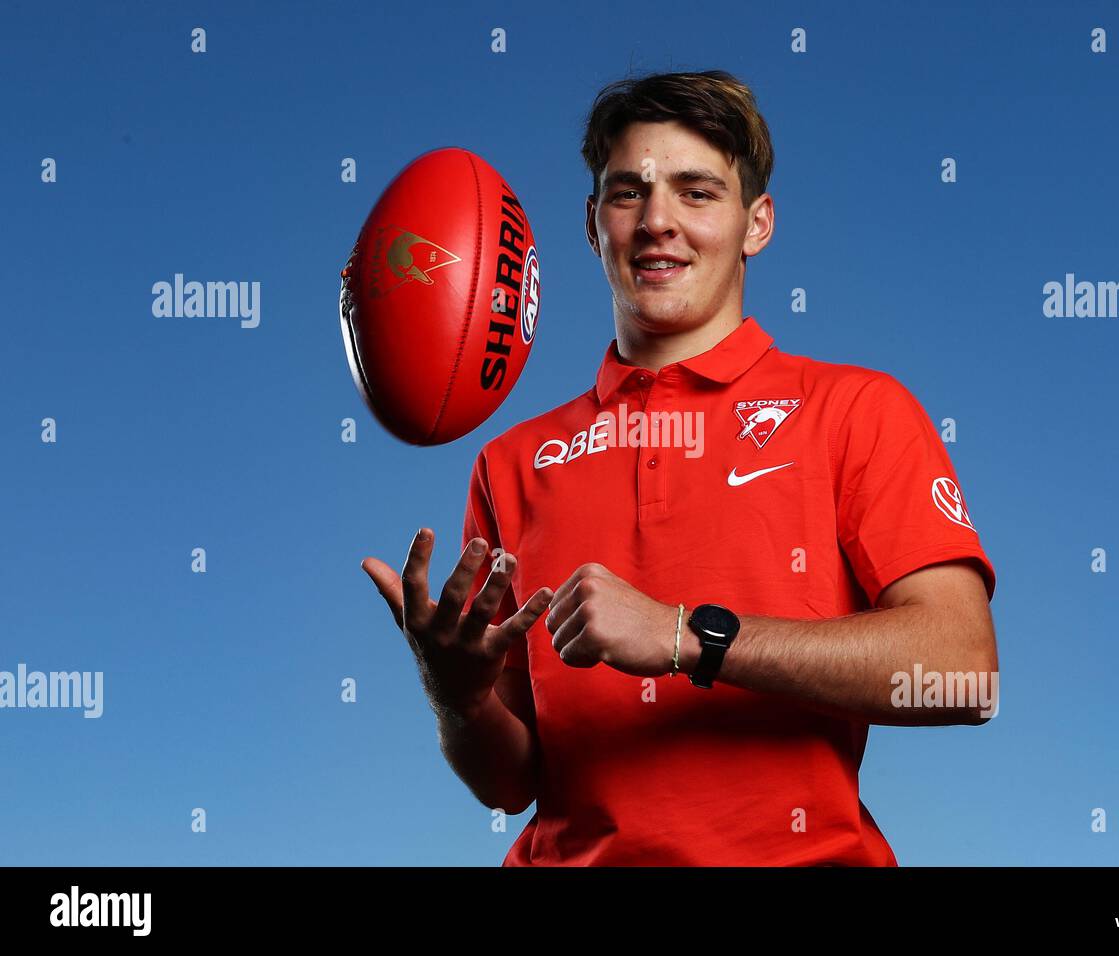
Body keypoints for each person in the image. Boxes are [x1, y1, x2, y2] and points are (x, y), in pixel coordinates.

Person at [361, 70, 998, 866]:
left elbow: (964, 671)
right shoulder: (512, 462)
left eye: (697, 193)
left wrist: (684, 635)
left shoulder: (856, 409)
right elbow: (510, 782)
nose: (657, 221)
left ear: (756, 223)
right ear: (593, 225)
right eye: (628, 194)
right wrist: (458, 700)